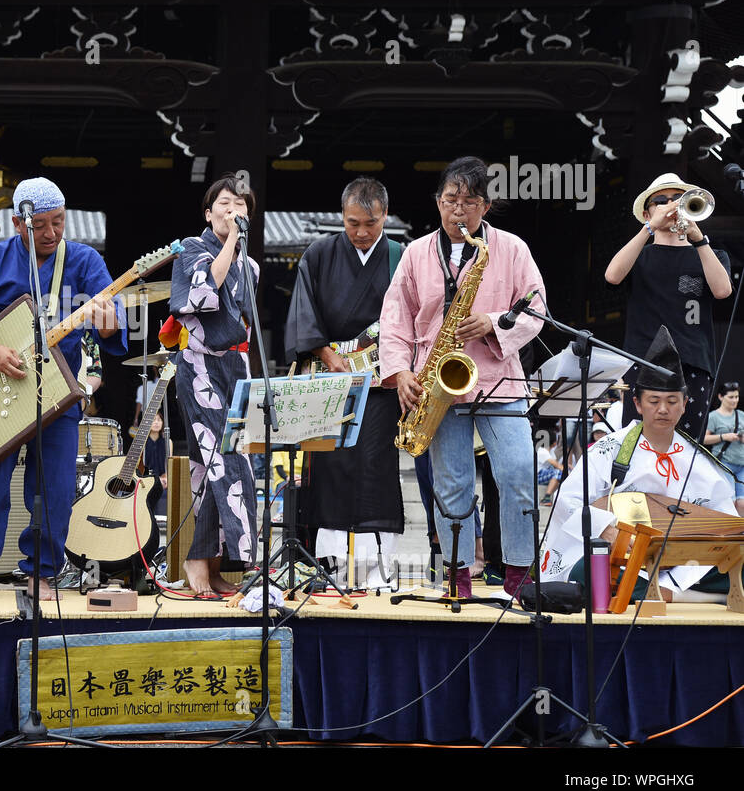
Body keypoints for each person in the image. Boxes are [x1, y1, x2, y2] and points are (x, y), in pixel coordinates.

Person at [0, 176, 125, 602]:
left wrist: (109, 320)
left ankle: (41, 572)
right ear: (17, 223)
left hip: (57, 392)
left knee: (56, 486)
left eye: (59, 222)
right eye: (40, 224)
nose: (51, 233)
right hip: (3, 391)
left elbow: (112, 316)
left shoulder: (83, 260)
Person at [379, 156, 545, 600]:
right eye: (451, 200)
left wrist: (493, 322)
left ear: (485, 207)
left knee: (518, 476)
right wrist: (400, 374)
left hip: (499, 380)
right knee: (451, 485)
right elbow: (394, 319)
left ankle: (519, 574)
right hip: (439, 387)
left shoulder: (512, 249)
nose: (459, 210)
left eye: (469, 201)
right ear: (437, 202)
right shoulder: (415, 253)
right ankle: (457, 576)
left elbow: (536, 309)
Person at [539, 327, 740, 602]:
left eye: (672, 401)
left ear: (684, 405)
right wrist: (607, 530)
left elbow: (725, 522)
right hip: (622, 556)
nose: (663, 409)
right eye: (654, 401)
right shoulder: (611, 448)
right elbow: (568, 499)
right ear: (637, 403)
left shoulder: (697, 458)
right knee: (588, 571)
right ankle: (678, 596)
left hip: (682, 562)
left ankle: (664, 592)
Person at [284, 176, 404, 567]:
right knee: (329, 467)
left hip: (383, 381)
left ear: (385, 215)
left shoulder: (400, 256)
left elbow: (415, 315)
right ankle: (329, 562)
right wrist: (323, 350)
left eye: (370, 224)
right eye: (353, 223)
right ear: (342, 216)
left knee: (376, 466)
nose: (362, 232)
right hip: (329, 376)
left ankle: (375, 566)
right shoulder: (318, 254)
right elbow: (304, 311)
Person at [168, 173, 260, 598]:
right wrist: (228, 245)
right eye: (225, 204)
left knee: (221, 466)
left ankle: (209, 562)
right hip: (200, 366)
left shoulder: (252, 265)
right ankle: (195, 562)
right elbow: (201, 296)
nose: (232, 210)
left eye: (240, 206)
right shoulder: (191, 249)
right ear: (209, 213)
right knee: (221, 463)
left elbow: (244, 319)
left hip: (236, 365)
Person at [604, 173, 731, 438]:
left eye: (678, 199)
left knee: (687, 446)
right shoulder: (639, 254)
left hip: (693, 362)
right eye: (661, 200)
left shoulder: (710, 254)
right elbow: (612, 276)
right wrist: (647, 230)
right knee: (638, 443)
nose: (671, 204)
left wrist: (698, 238)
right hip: (643, 360)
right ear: (647, 213)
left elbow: (723, 291)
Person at [704, 381, 744, 502]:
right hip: (724, 463)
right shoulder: (713, 416)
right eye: (731, 397)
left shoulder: (741, 414)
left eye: (736, 397)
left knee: (742, 503)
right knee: (729, 501)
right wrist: (724, 436)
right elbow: (703, 439)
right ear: (721, 397)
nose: (734, 400)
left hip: (742, 464)